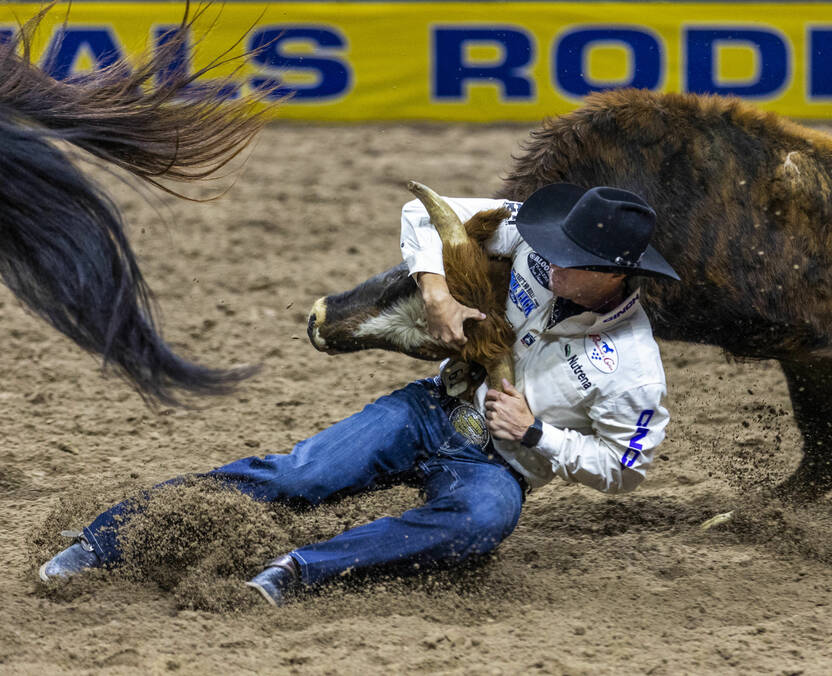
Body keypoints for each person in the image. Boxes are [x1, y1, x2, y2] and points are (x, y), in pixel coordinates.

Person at [39, 184, 680, 606]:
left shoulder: (634, 369)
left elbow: (628, 467)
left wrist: (538, 434)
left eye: (570, 258)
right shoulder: (532, 239)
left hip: (502, 464)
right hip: (434, 409)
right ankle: (106, 539)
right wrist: (436, 295)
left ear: (615, 274)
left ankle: (299, 569)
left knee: (481, 521)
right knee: (301, 474)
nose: (548, 257)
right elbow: (425, 214)